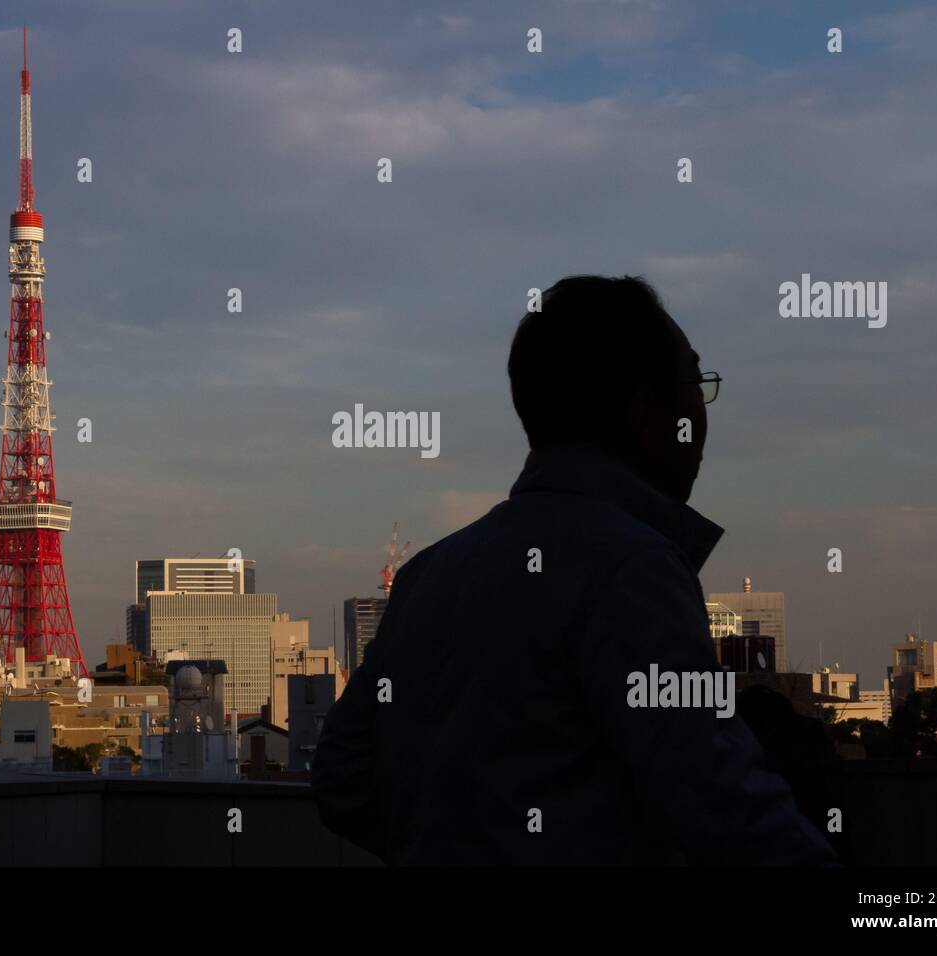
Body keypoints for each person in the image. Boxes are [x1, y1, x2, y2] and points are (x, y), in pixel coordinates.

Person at [312, 274, 836, 865]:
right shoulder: (631, 567)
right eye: (696, 383)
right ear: (646, 413)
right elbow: (726, 807)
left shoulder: (429, 573)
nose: (703, 411)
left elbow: (341, 776)